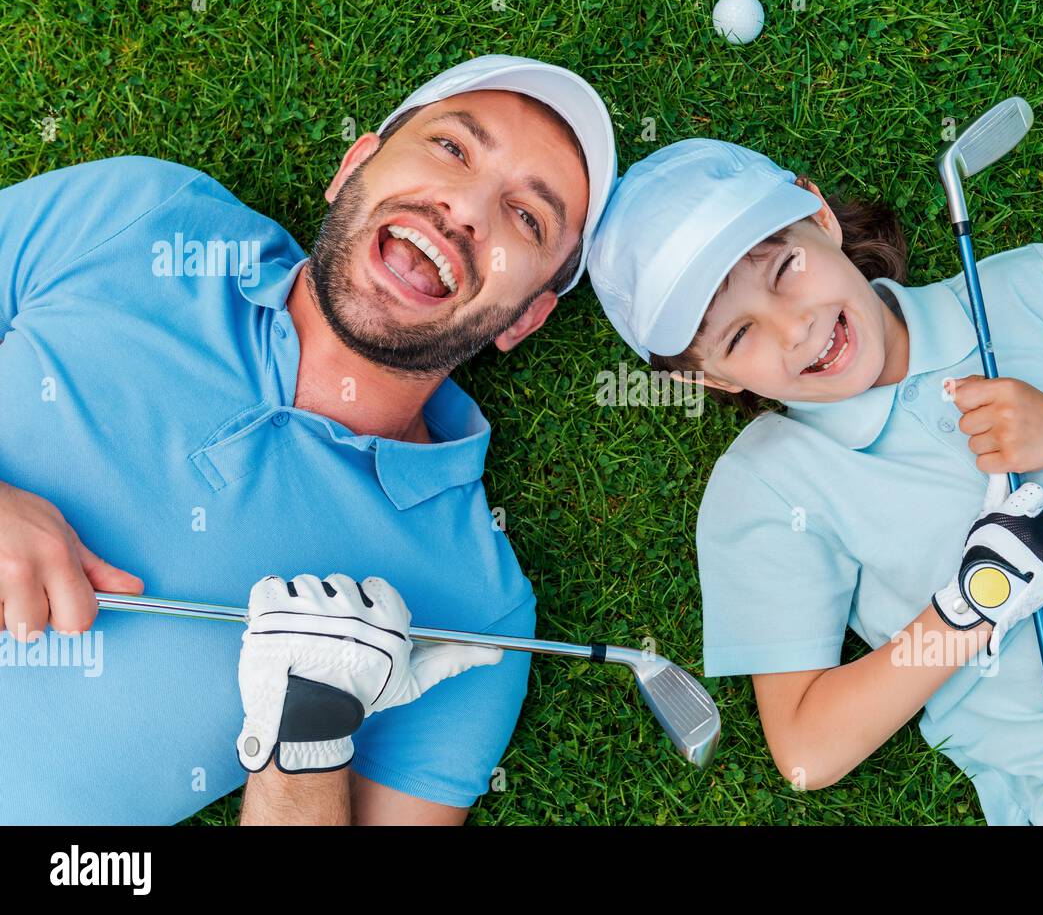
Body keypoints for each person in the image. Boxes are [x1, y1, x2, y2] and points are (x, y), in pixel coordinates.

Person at [586, 137, 1043, 824]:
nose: (794, 329)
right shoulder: (765, 484)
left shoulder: (1027, 286)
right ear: (708, 377)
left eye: (784, 269)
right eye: (738, 337)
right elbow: (806, 749)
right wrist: (971, 604)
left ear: (819, 215)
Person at [0, 54, 618, 824]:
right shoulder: (148, 214)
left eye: (528, 218)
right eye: (453, 148)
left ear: (524, 318)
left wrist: (307, 745)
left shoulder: (474, 613)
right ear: (353, 164)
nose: (466, 211)